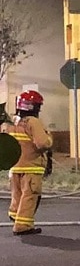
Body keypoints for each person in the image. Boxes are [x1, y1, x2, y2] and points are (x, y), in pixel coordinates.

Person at [2, 90, 54, 236]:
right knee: (29, 196)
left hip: (14, 167)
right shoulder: (33, 122)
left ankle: (14, 213)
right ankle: (23, 225)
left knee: (17, 194)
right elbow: (42, 143)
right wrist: (49, 138)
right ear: (35, 107)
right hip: (31, 167)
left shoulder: (11, 122)